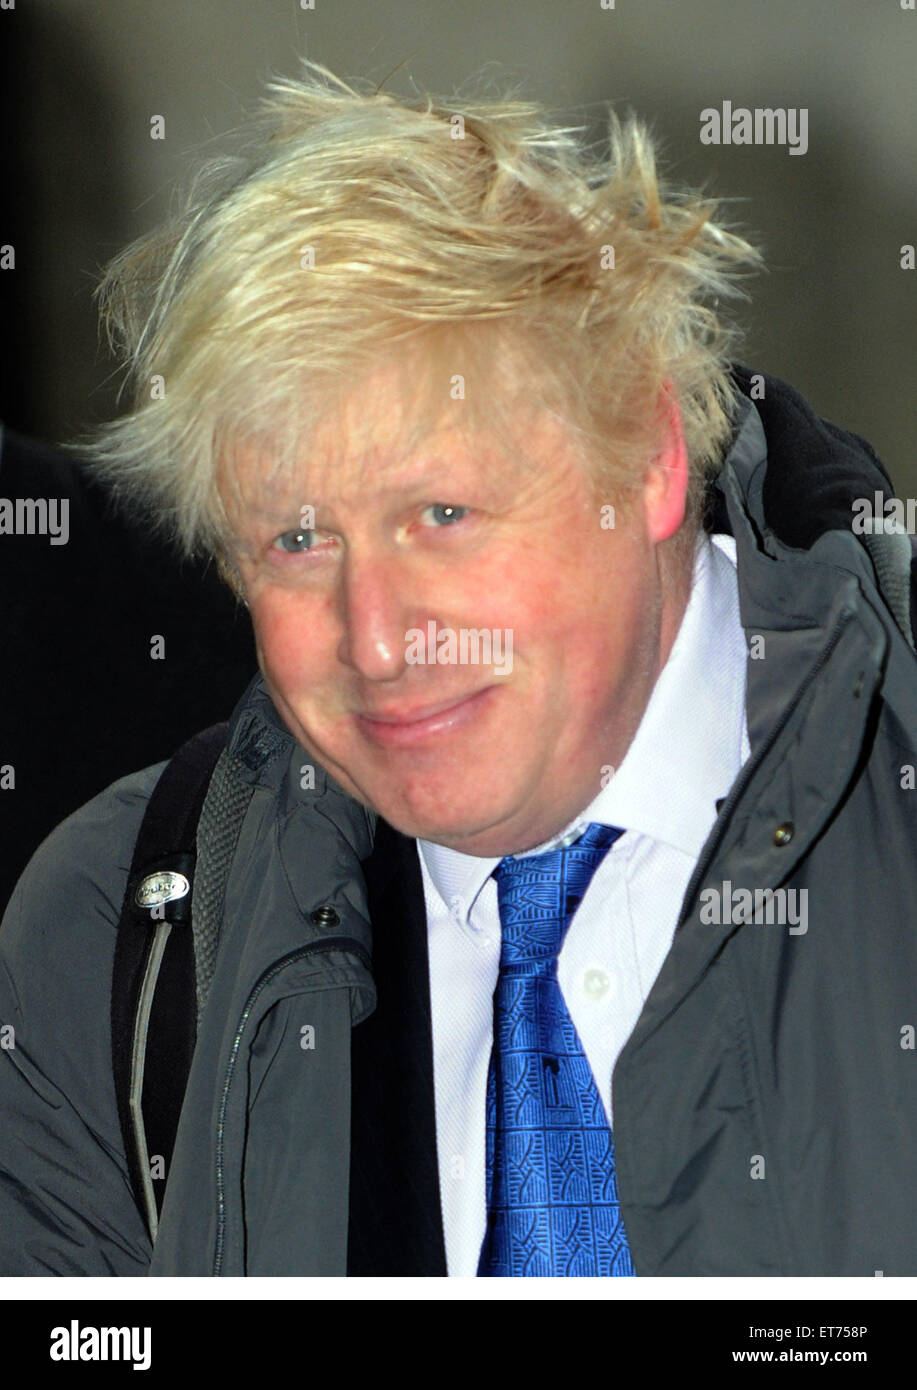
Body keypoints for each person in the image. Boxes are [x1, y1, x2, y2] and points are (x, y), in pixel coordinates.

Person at [1, 58, 915, 1278]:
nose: (377, 639)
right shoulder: (116, 942)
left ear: (645, 457)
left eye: (441, 513)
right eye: (297, 541)